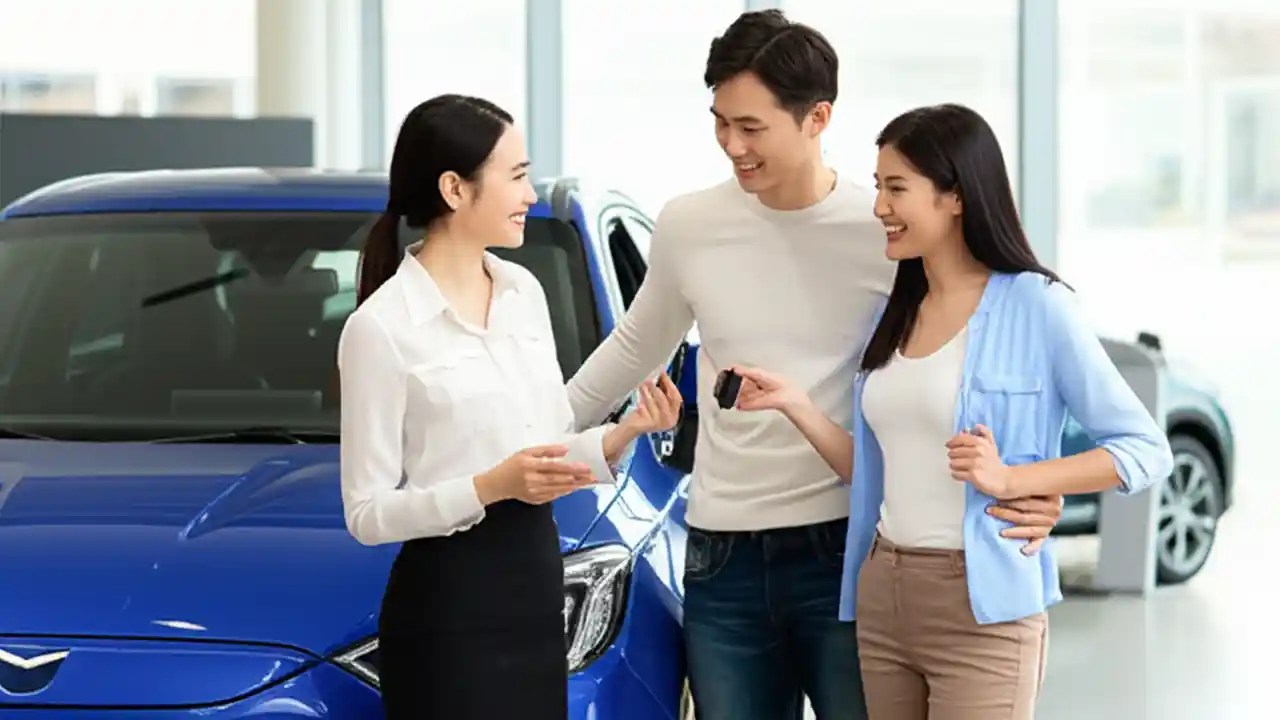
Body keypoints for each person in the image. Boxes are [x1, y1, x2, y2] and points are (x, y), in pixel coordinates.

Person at [565, 10, 1066, 719]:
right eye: (720, 122)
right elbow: (630, 349)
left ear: (817, 117)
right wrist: (530, 433)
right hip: (721, 556)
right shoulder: (690, 224)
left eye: (751, 127)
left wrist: (1030, 485)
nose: (731, 146)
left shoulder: (885, 233)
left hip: (849, 549)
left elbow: (979, 364)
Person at [731, 103, 1175, 719]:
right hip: (884, 593)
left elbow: (1145, 449)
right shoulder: (895, 313)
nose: (880, 206)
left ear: (956, 196)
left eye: (897, 188)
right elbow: (881, 477)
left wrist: (1017, 481)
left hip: (983, 606)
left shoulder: (1038, 306)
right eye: (879, 186)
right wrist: (796, 406)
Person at [336, 94, 683, 720]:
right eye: (517, 176)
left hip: (536, 589)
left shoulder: (524, 291)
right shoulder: (380, 329)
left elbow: (546, 439)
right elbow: (366, 513)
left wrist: (625, 431)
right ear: (454, 189)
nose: (529, 194)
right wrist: (491, 485)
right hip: (448, 606)